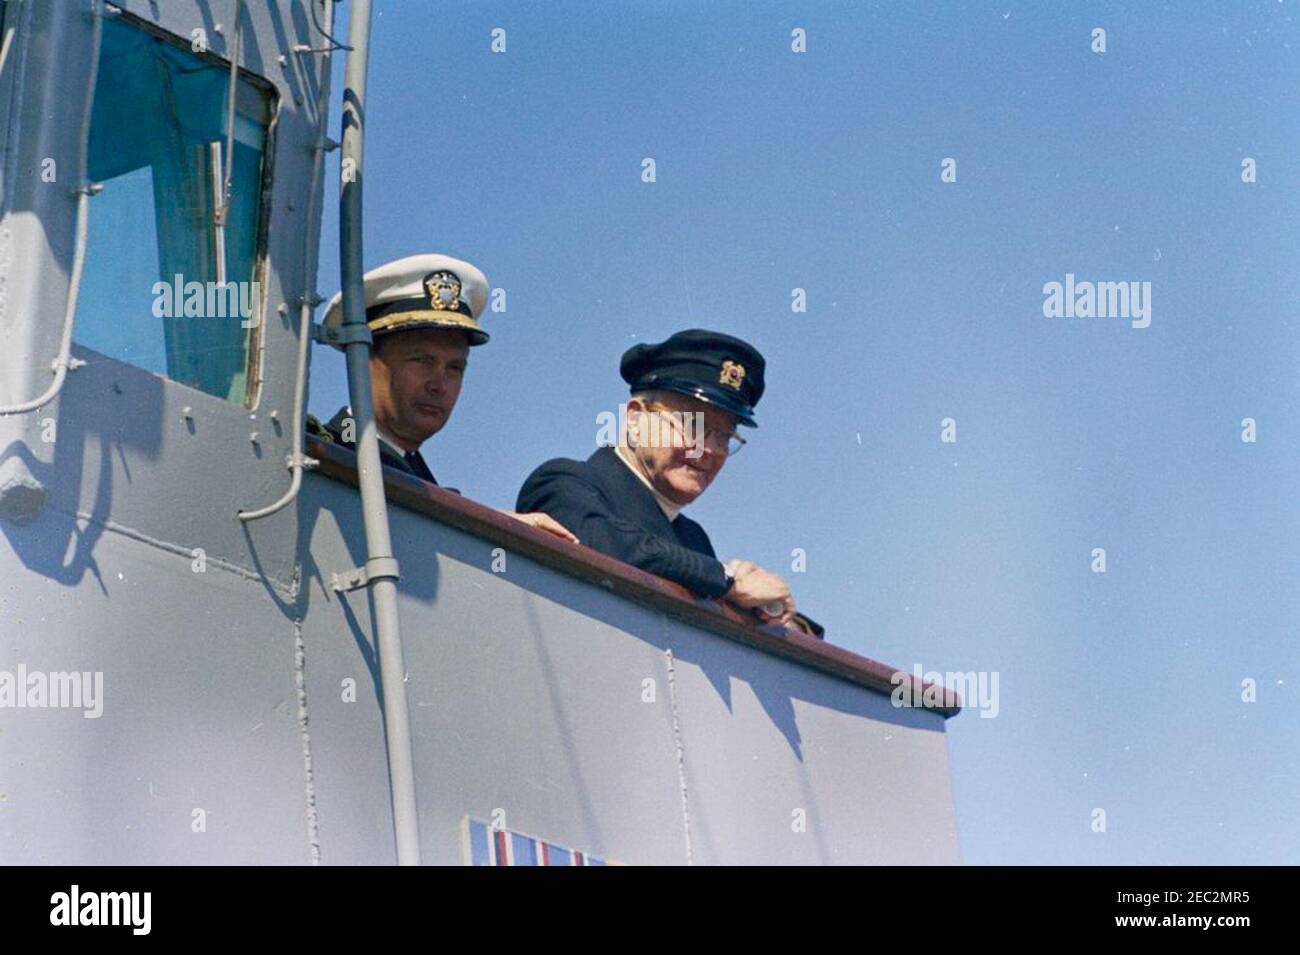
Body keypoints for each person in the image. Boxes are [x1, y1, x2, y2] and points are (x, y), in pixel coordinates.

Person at [517, 329, 815, 631]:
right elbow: (608, 544)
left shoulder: (692, 537)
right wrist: (728, 579)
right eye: (692, 425)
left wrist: (770, 613)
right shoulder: (562, 482)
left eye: (724, 436)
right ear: (635, 417)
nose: (709, 449)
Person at [312, 254, 576, 542]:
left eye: (454, 368)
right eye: (422, 360)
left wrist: (499, 527)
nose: (440, 385)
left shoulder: (415, 478)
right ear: (363, 361)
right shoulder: (324, 459)